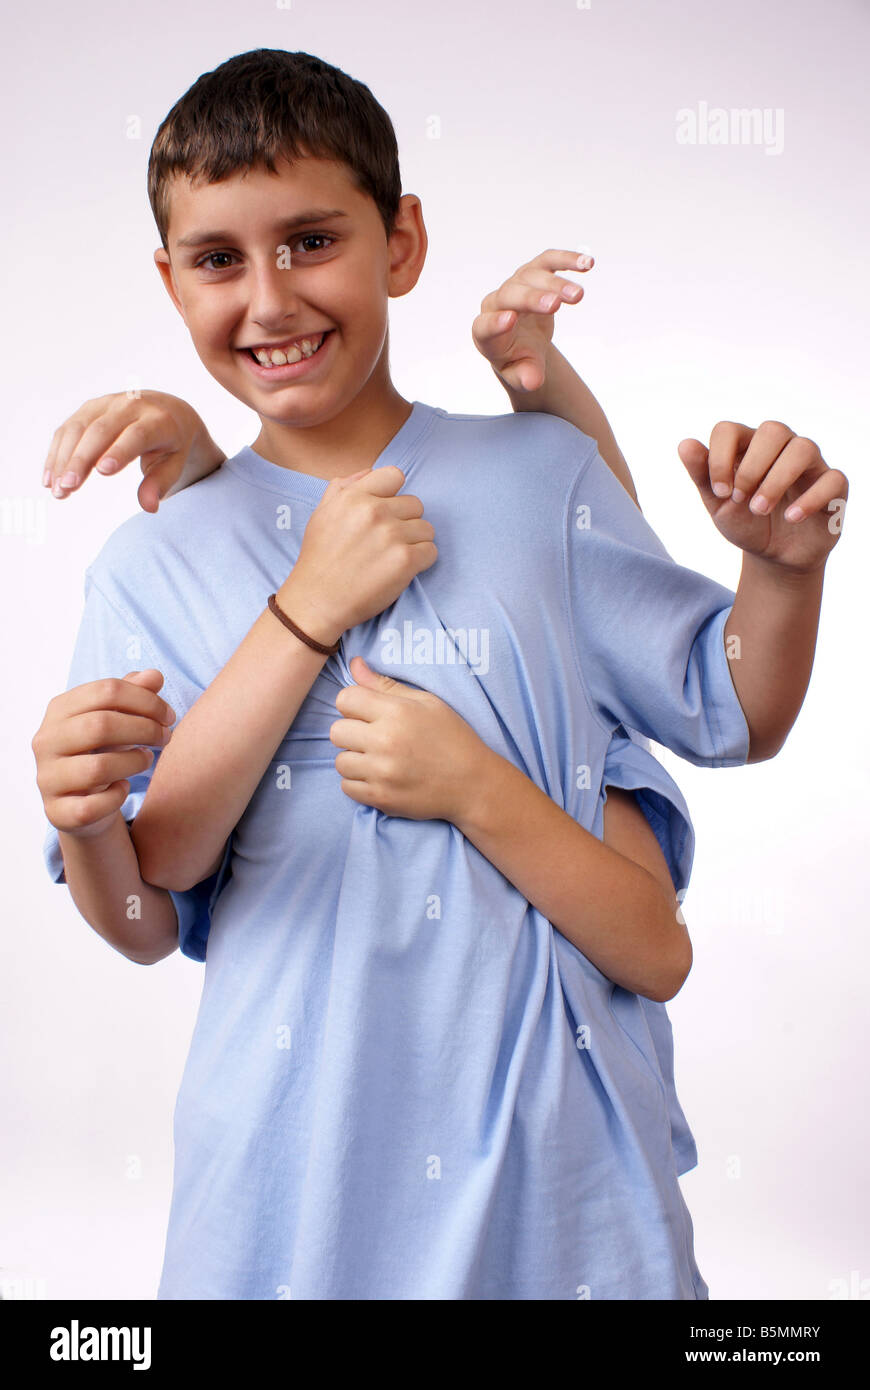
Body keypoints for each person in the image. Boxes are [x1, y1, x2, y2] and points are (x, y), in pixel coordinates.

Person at [32, 48, 845, 1300]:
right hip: (291, 1197)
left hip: (567, 1200)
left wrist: (781, 572)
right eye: (217, 259)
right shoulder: (157, 559)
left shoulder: (539, 477)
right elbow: (147, 902)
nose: (268, 298)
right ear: (169, 278)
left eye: (311, 241)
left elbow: (735, 709)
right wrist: (301, 607)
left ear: (401, 242)